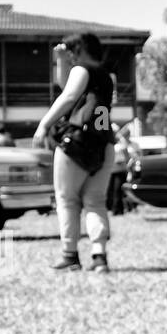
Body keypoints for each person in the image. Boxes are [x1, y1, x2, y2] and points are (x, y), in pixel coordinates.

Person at [33, 32, 116, 273]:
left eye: (71, 51)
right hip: (104, 142)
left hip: (77, 142)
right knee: (95, 201)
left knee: (67, 200)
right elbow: (68, 86)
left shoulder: (81, 69)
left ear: (78, 49)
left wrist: (44, 124)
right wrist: (61, 60)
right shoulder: (106, 75)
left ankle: (70, 254)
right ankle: (99, 256)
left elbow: (68, 95)